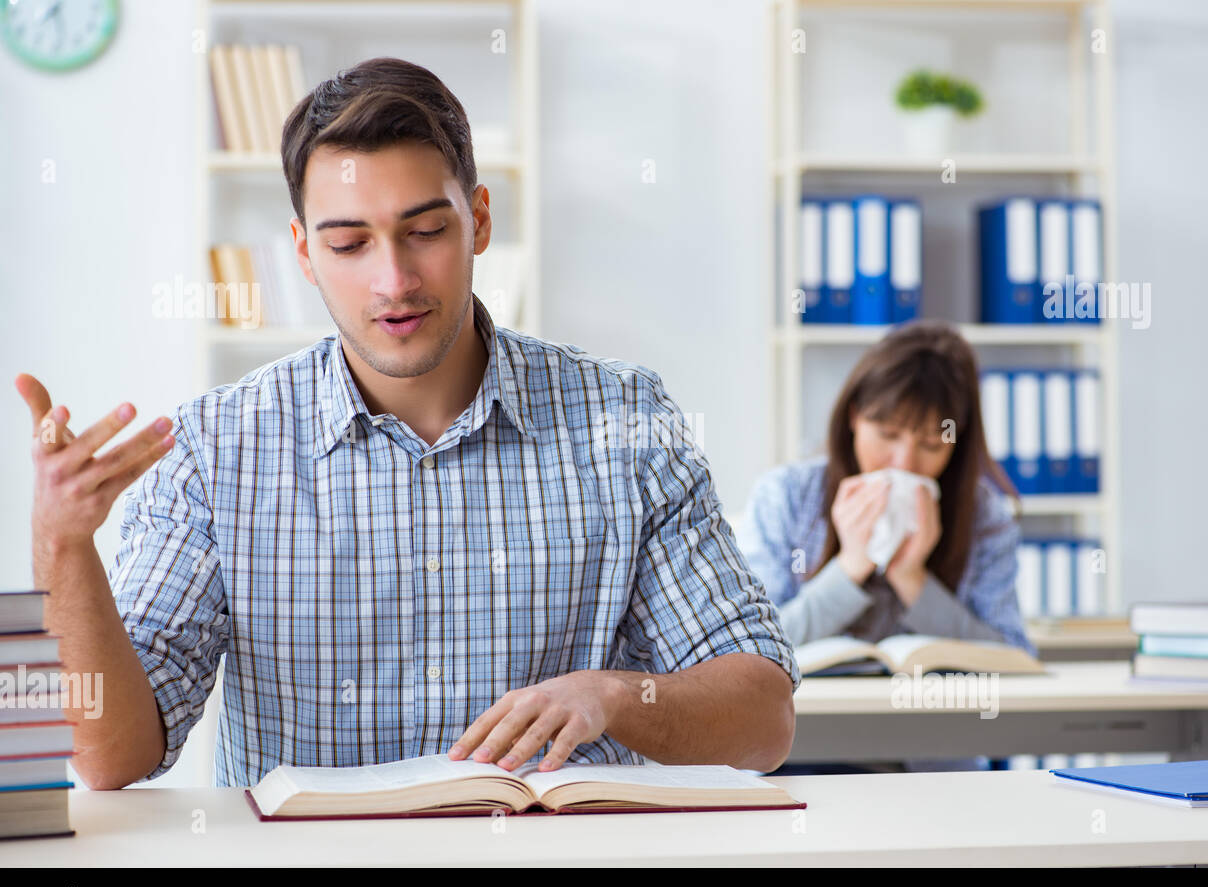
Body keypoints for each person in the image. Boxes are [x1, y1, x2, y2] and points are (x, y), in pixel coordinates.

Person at [17, 57, 797, 791]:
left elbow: (764, 719)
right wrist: (65, 544)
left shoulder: (624, 421)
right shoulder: (216, 448)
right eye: (350, 243)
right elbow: (111, 756)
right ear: (304, 254)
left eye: (426, 231)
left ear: (479, 221)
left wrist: (618, 696)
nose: (393, 280)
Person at [736, 320, 1033, 774]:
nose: (904, 463)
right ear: (855, 416)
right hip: (798, 755)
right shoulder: (787, 496)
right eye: (888, 435)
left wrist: (913, 579)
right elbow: (748, 655)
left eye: (931, 444)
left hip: (931, 760)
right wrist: (852, 565)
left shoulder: (984, 517)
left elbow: (1013, 658)